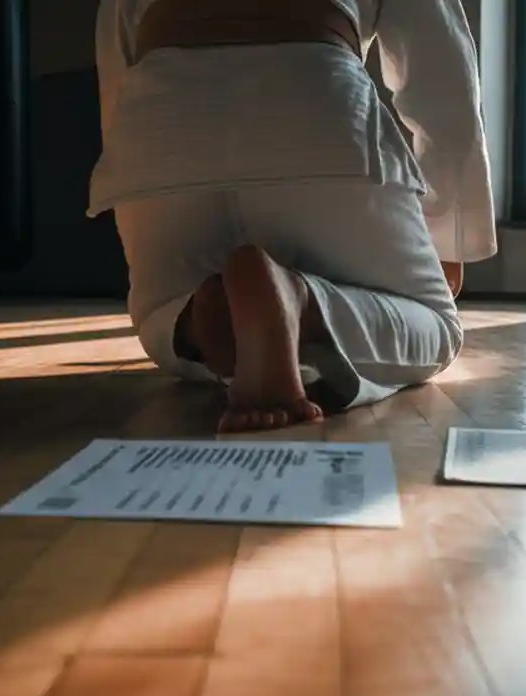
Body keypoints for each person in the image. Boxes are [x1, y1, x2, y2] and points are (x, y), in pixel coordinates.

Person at [90, 0, 496, 432]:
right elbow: (442, 78)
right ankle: (297, 301)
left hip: (157, 123)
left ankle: (202, 322)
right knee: (437, 326)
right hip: (314, 98)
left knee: (159, 316)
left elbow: (116, 64)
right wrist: (448, 236)